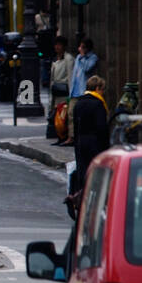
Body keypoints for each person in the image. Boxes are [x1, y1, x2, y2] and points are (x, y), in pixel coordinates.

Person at [69, 74, 110, 216]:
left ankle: (81, 201)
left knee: (83, 171)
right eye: (102, 89)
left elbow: (75, 126)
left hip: (81, 142)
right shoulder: (98, 104)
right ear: (97, 88)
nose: (103, 92)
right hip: (95, 142)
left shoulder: (79, 103)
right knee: (95, 172)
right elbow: (101, 128)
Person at [68, 38, 99, 142]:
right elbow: (75, 73)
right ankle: (71, 136)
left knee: (83, 116)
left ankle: (80, 136)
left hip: (83, 91)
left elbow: (87, 69)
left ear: (86, 48)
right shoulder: (78, 57)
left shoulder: (92, 58)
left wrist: (82, 57)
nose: (79, 49)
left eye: (81, 47)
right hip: (75, 90)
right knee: (71, 113)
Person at [49, 35, 74, 143]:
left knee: (64, 116)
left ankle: (66, 137)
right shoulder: (55, 59)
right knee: (58, 116)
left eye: (59, 45)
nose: (57, 47)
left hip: (64, 92)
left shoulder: (68, 59)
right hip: (56, 92)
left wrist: (70, 94)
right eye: (56, 45)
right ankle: (60, 137)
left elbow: (70, 76)